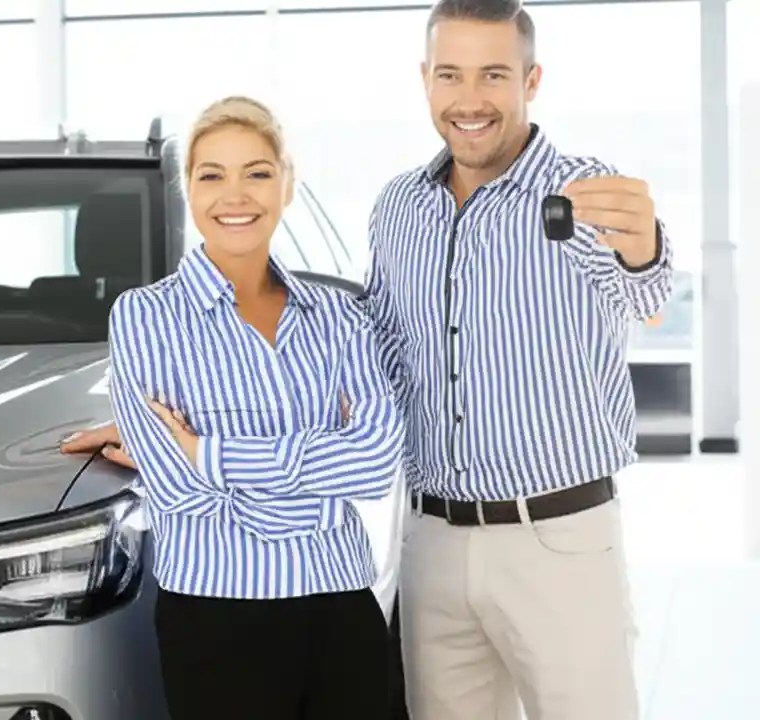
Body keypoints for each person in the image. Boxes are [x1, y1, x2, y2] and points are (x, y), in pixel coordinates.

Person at [63, 2, 672, 719]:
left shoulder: (578, 193)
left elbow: (646, 293)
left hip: (556, 538)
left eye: (493, 75)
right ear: (426, 79)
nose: (469, 98)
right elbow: (378, 354)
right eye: (450, 74)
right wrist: (168, 432)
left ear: (530, 81)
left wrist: (645, 249)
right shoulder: (400, 207)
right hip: (432, 540)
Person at [102, 95, 404, 719]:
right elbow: (176, 486)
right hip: (217, 619)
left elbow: (376, 463)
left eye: (257, 172)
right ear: (189, 189)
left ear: (287, 185)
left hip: (342, 611)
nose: (235, 196)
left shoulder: (339, 317)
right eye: (212, 175)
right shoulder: (144, 318)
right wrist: (316, 496)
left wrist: (210, 453)